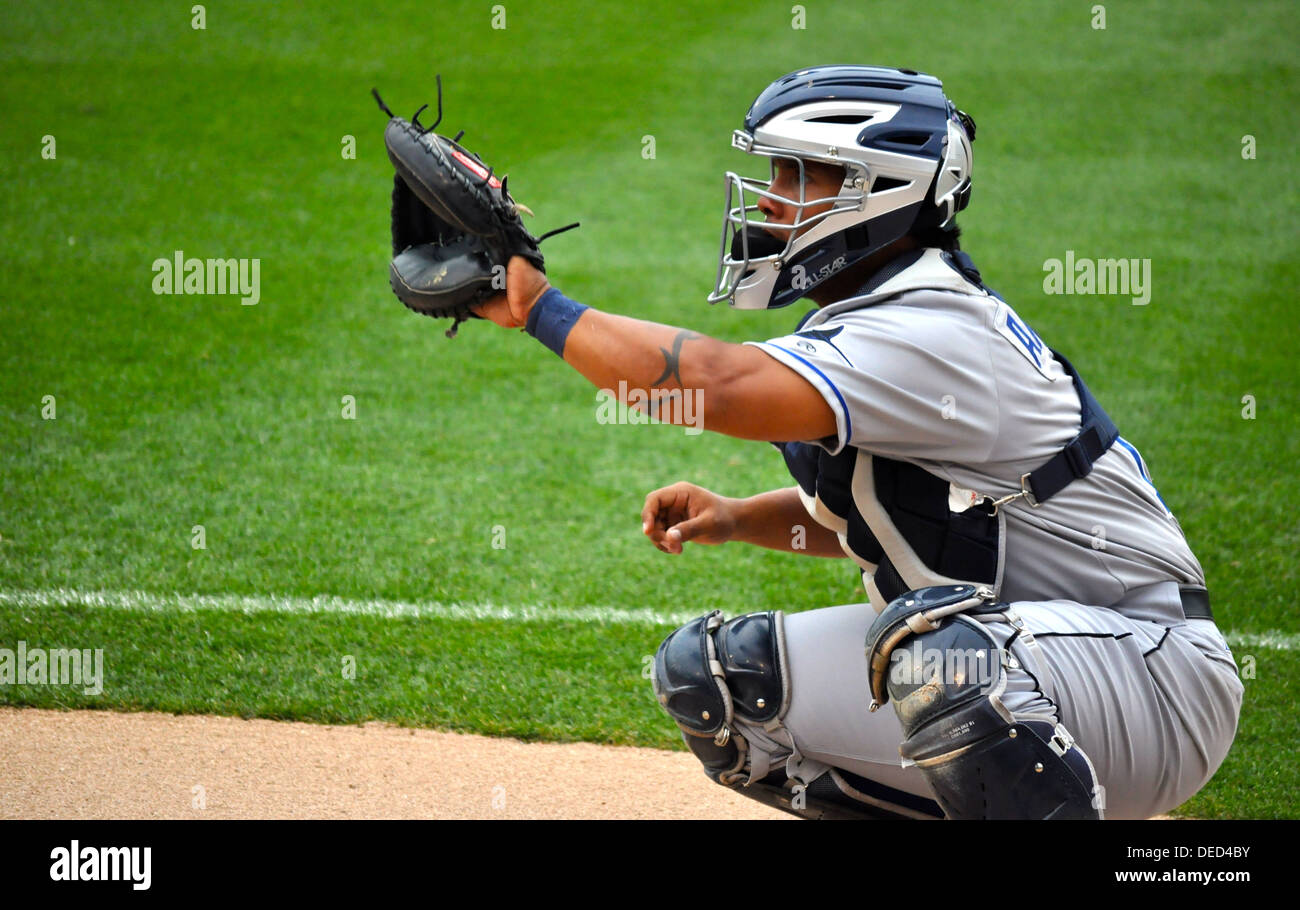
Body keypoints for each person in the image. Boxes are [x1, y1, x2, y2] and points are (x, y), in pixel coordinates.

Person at [471, 65, 1242, 820]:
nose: (769, 198)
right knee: (721, 683)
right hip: (1045, 670)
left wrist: (538, 306)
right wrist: (741, 517)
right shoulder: (880, 317)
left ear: (878, 191)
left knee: (940, 661)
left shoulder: (929, 329)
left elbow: (713, 385)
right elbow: (918, 519)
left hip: (1153, 677)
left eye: (798, 173)